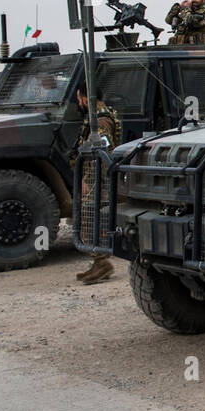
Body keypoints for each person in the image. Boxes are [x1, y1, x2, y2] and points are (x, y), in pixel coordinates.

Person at [73, 82, 123, 283]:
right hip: (100, 180)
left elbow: (102, 153)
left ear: (85, 98)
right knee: (91, 219)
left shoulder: (100, 121)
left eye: (78, 98)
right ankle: (98, 262)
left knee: (89, 218)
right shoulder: (103, 115)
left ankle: (102, 262)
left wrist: (89, 180)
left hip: (99, 181)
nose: (78, 102)